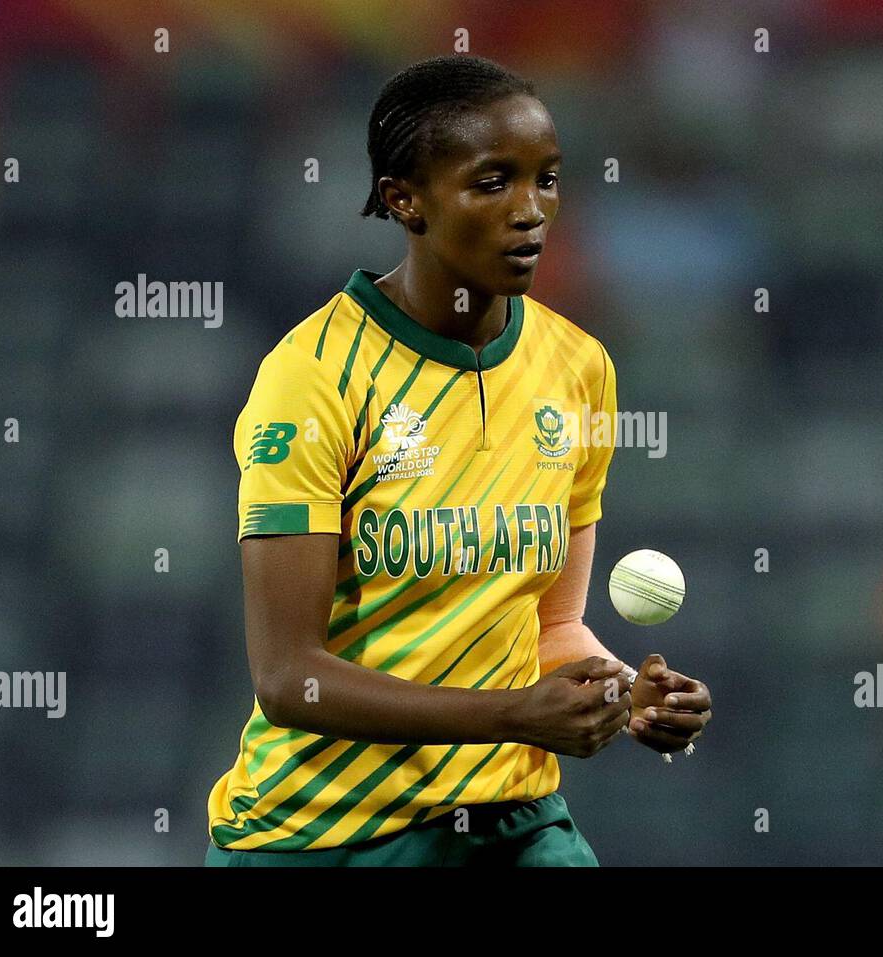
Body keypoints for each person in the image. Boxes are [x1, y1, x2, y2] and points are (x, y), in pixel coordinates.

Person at [204, 55, 711, 866]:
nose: (531, 213)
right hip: (324, 836)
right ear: (405, 199)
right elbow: (288, 677)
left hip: (514, 820)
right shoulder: (313, 376)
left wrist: (624, 692)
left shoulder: (579, 368)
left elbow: (553, 625)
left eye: (546, 180)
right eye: (492, 183)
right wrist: (512, 714)